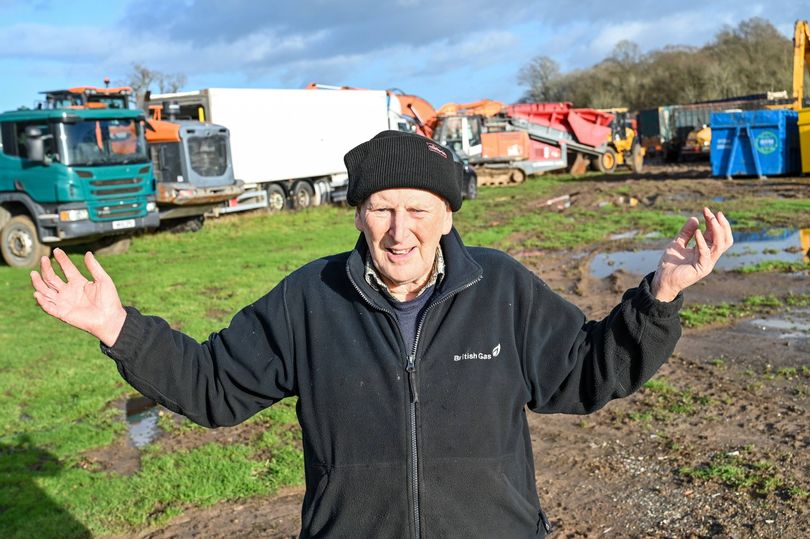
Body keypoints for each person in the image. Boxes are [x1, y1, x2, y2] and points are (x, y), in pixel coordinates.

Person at [30, 130, 733, 538]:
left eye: (419, 209)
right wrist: (116, 325)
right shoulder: (311, 298)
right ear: (359, 215)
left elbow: (583, 374)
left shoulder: (501, 288)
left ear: (449, 216)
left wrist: (661, 293)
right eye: (382, 208)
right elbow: (215, 387)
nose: (401, 230)